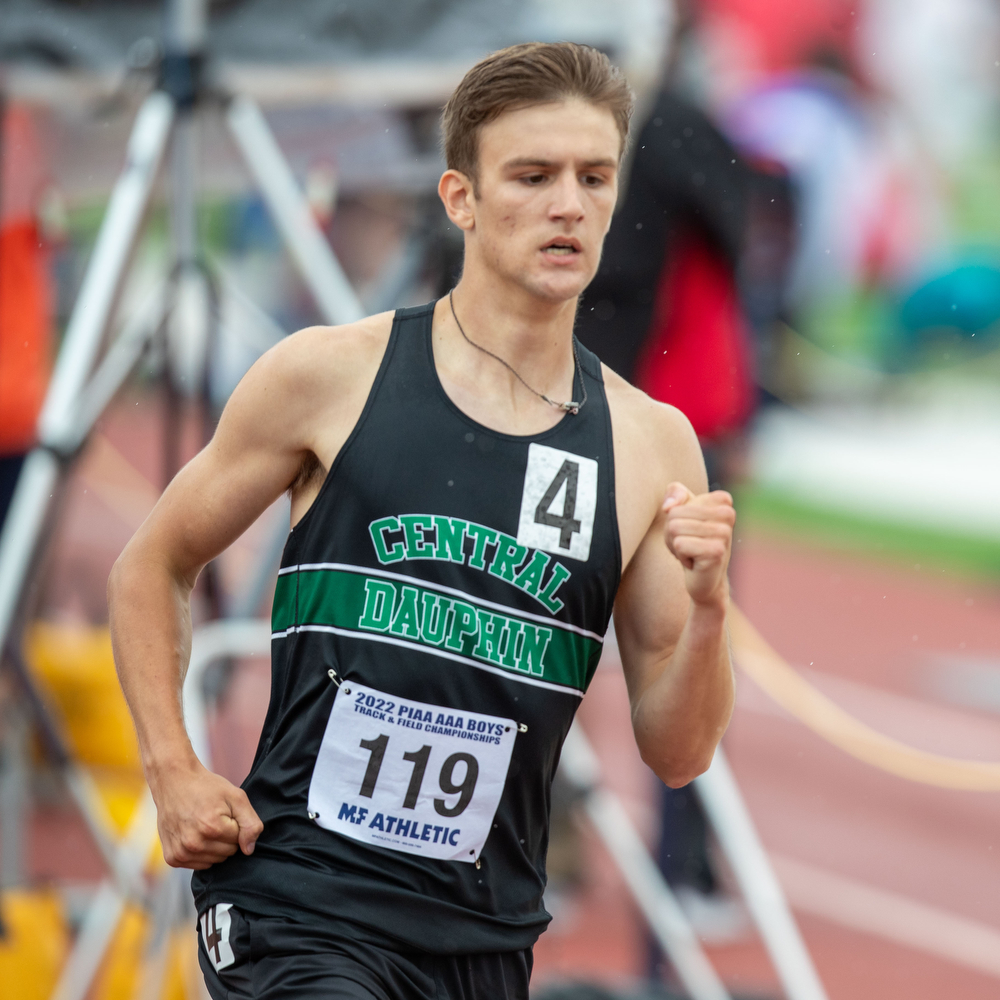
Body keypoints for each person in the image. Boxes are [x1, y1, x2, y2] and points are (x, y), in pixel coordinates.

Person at [108, 42, 736, 1000]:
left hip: (482, 937)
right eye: (532, 175)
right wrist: (172, 768)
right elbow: (150, 564)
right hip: (299, 902)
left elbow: (679, 750)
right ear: (461, 199)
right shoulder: (331, 375)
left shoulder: (652, 447)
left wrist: (710, 608)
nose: (569, 203)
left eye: (594, 177)